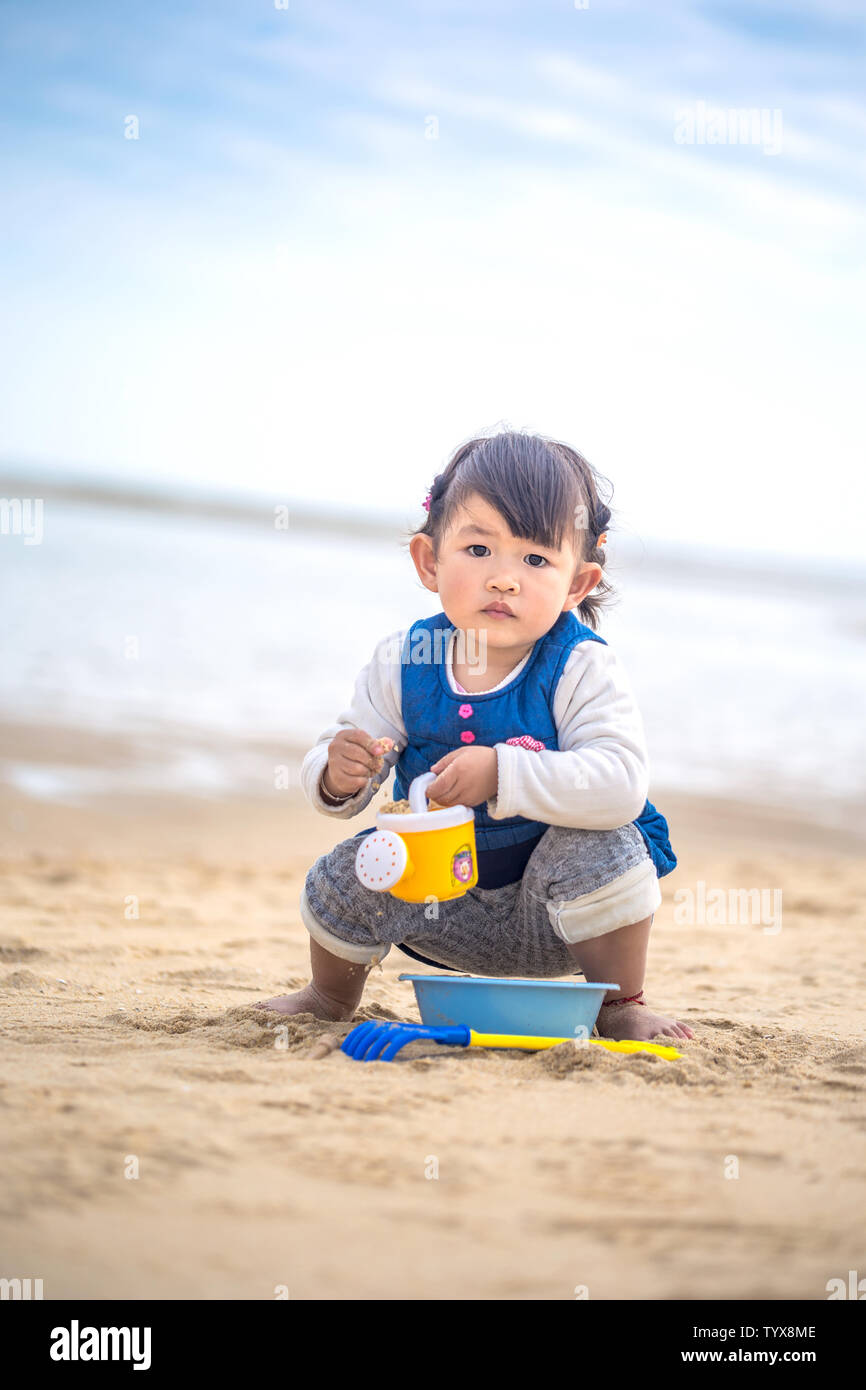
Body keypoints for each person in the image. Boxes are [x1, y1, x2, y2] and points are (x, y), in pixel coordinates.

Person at [258, 430, 694, 1043]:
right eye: (479, 549)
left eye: (536, 560)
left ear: (578, 584)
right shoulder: (404, 661)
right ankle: (330, 994)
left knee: (608, 842)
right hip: (440, 911)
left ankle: (621, 1003)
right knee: (350, 866)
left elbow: (621, 782)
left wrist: (503, 774)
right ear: (429, 560)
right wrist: (338, 773)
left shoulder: (579, 666)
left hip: (565, 916)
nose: (504, 579)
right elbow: (351, 753)